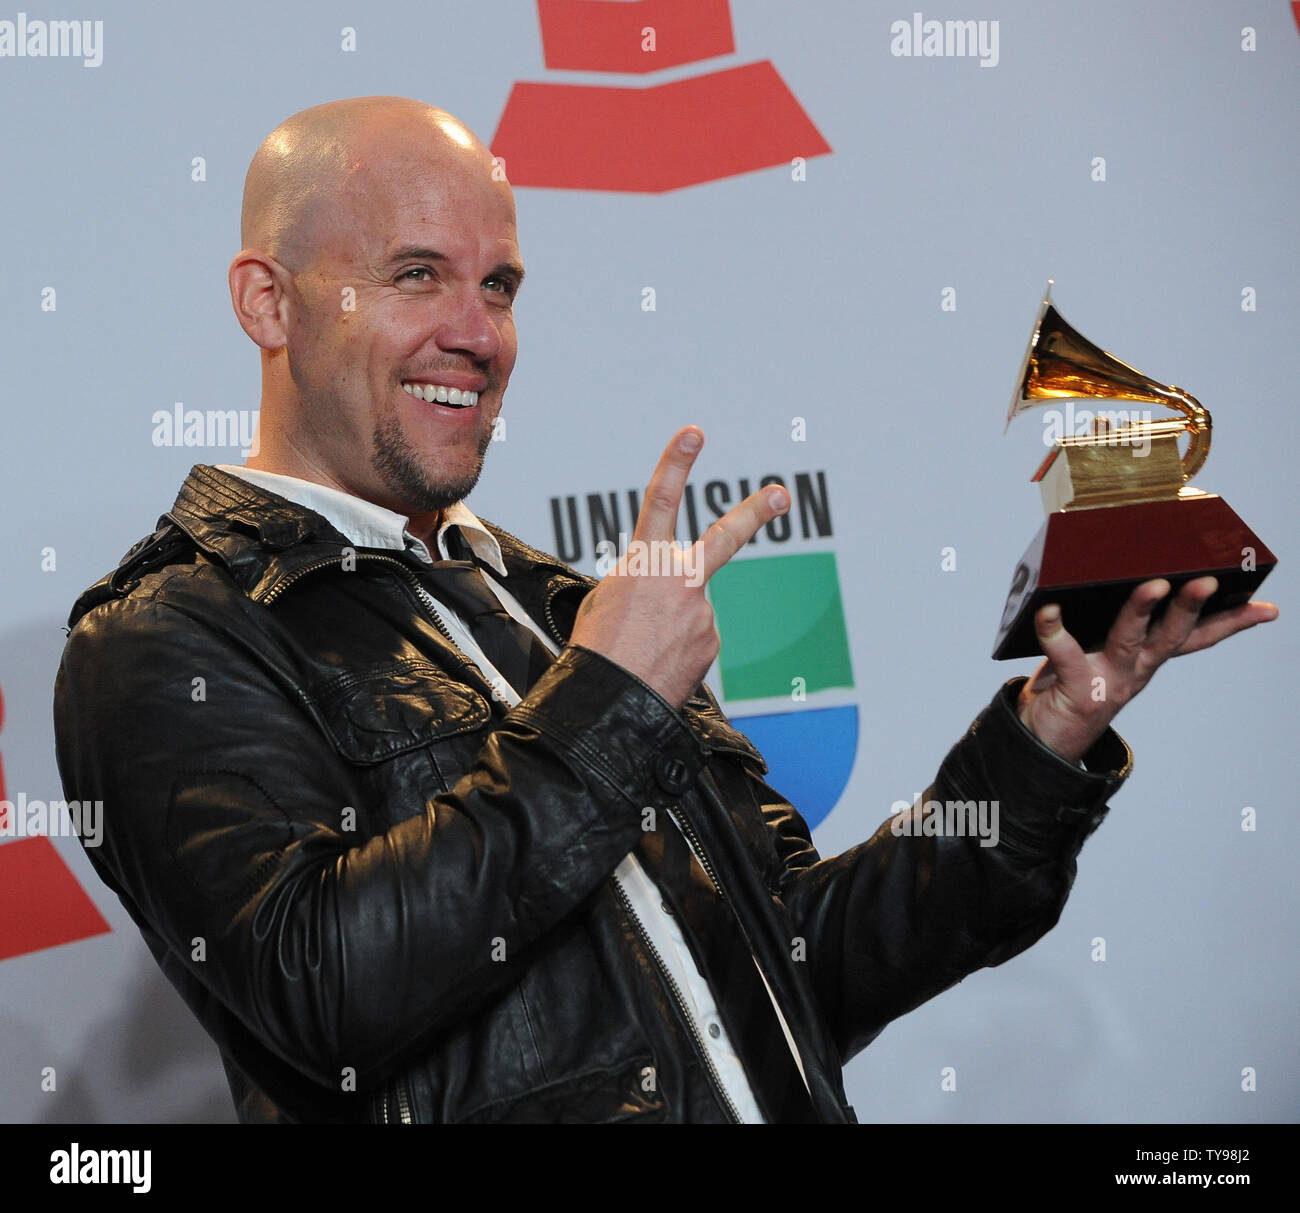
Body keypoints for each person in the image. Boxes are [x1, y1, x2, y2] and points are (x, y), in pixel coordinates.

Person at [53, 96, 1277, 1124]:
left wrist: (1044, 736)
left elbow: (807, 961)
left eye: (502, 284)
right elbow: (325, 993)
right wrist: (609, 701)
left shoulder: (557, 604)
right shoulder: (168, 634)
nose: (478, 334)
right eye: (414, 274)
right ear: (269, 304)